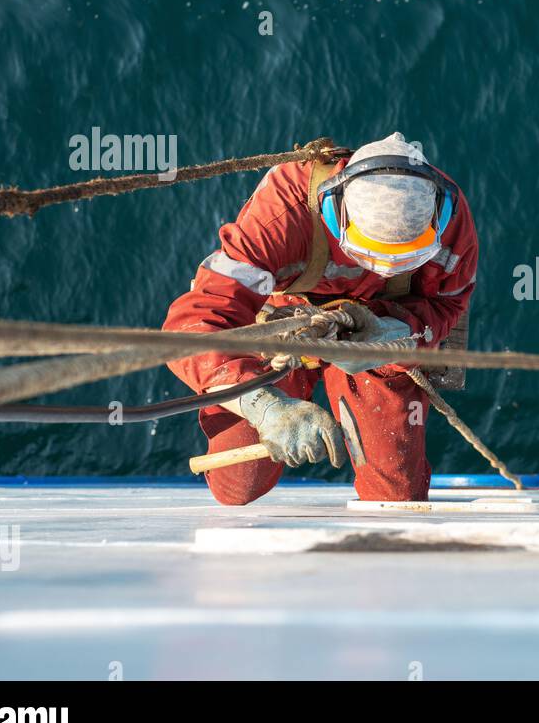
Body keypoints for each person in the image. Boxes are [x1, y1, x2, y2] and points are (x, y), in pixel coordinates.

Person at [162, 133, 477, 504]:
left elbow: (446, 305)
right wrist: (266, 407)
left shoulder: (452, 222)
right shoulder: (283, 212)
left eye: (404, 258)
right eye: (371, 254)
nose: (387, 267)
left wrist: (393, 333)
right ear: (336, 213)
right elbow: (192, 324)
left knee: (397, 497)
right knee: (238, 485)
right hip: (281, 325)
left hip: (375, 331)